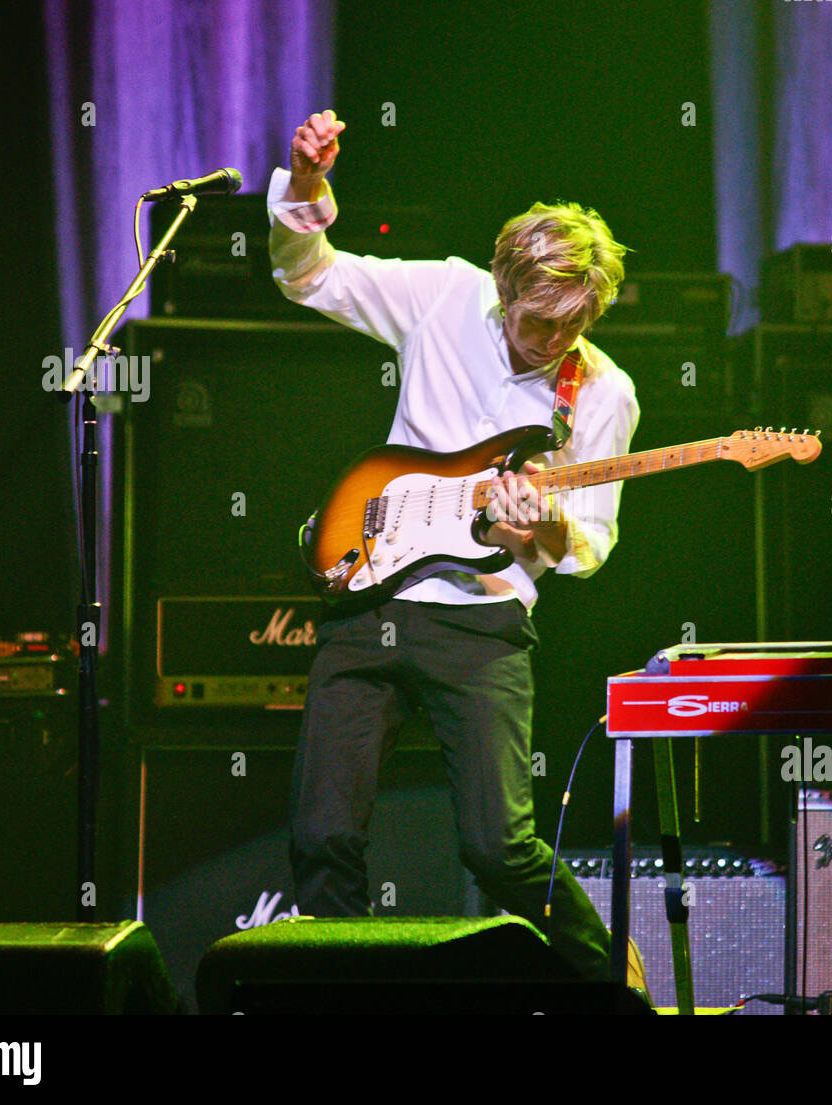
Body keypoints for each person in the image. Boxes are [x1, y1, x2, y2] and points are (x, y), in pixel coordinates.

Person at [268, 109, 640, 984]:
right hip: (372, 598)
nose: (550, 343)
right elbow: (309, 278)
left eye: (570, 328)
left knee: (498, 849)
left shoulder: (603, 391)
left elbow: (591, 542)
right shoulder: (444, 294)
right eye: (536, 320)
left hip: (481, 625)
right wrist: (310, 185)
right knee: (322, 836)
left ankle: (615, 988)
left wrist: (537, 527)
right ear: (503, 288)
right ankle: (344, 1005)